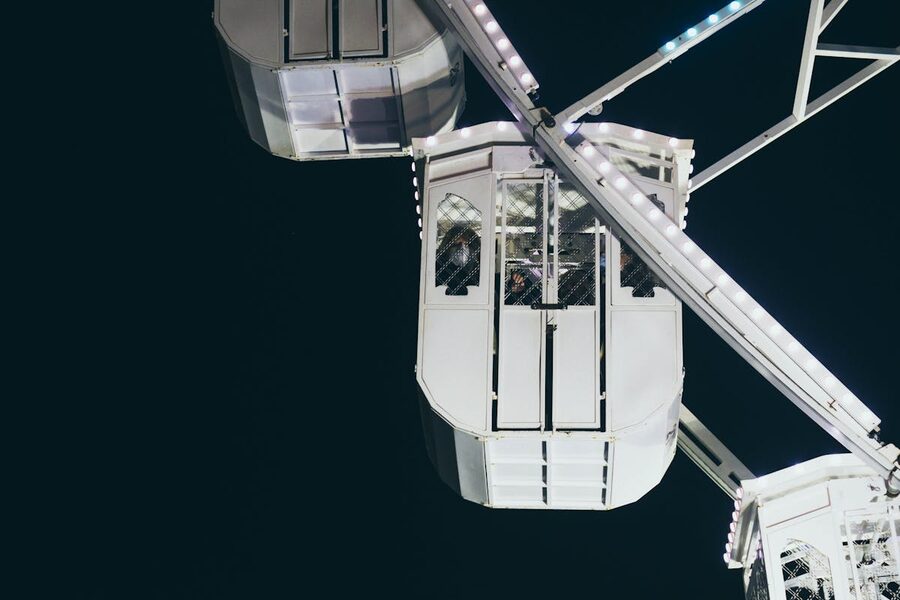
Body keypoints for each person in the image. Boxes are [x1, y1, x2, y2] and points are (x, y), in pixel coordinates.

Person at [435, 225, 480, 295]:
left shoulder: (480, 272)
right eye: (457, 245)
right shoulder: (437, 269)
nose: (461, 249)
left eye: (466, 244)